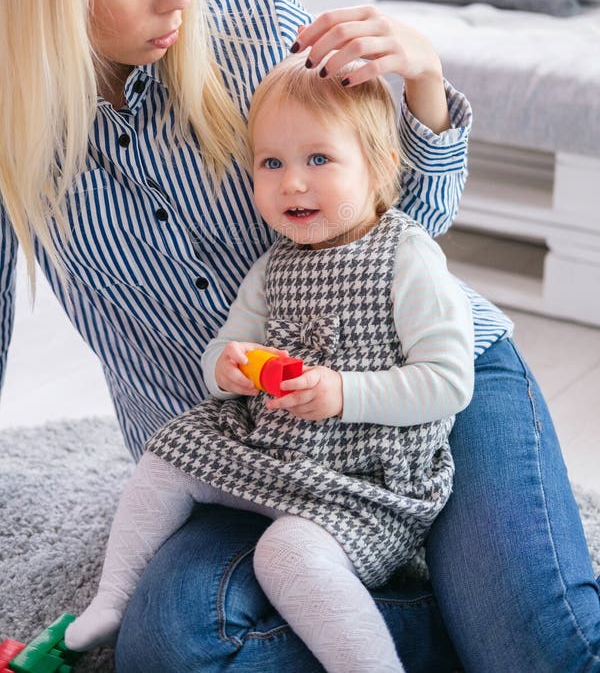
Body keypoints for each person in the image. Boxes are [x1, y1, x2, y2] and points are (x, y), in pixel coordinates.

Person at [0, 0, 597, 673]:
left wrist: (424, 83)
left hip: (424, 385)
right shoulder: (12, 132)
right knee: (174, 645)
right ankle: (435, 612)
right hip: (245, 451)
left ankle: (471, 607)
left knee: (539, 648)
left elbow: (407, 231)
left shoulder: (257, 34)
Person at [64, 58, 475, 671]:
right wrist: (227, 368)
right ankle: (115, 597)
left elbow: (449, 381)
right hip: (277, 456)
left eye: (319, 159)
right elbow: (228, 346)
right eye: (271, 163)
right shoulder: (274, 265)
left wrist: (343, 392)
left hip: (366, 484)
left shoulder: (406, 255)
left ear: (380, 167)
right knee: (169, 454)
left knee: (285, 556)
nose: (292, 184)